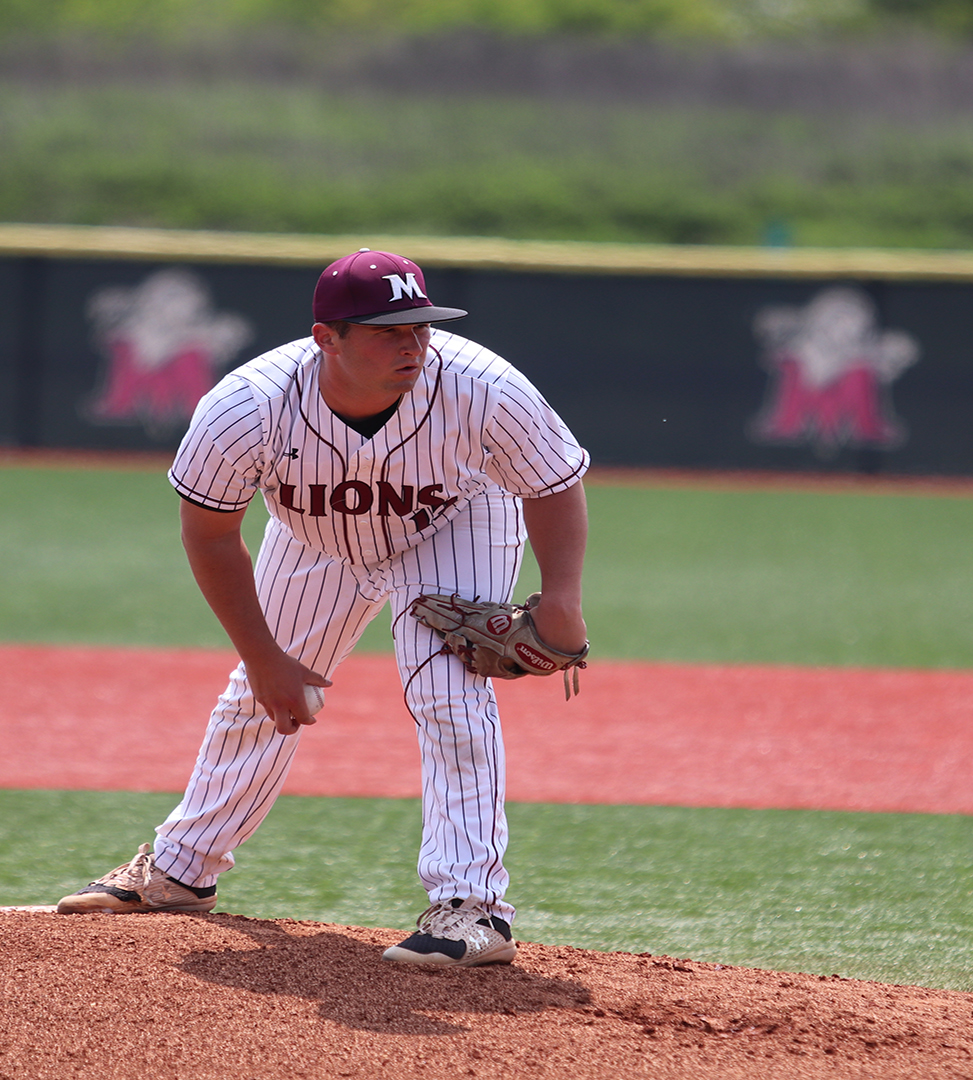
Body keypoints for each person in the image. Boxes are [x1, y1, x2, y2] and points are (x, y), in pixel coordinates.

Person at [54, 249, 590, 968]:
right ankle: (182, 869)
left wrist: (560, 597)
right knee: (259, 694)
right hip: (317, 538)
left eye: (421, 327)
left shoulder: (480, 386)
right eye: (386, 331)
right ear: (325, 338)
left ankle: (473, 909)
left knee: (448, 693)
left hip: (455, 522)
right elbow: (210, 535)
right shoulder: (248, 408)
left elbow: (551, 482)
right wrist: (266, 657)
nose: (412, 344)